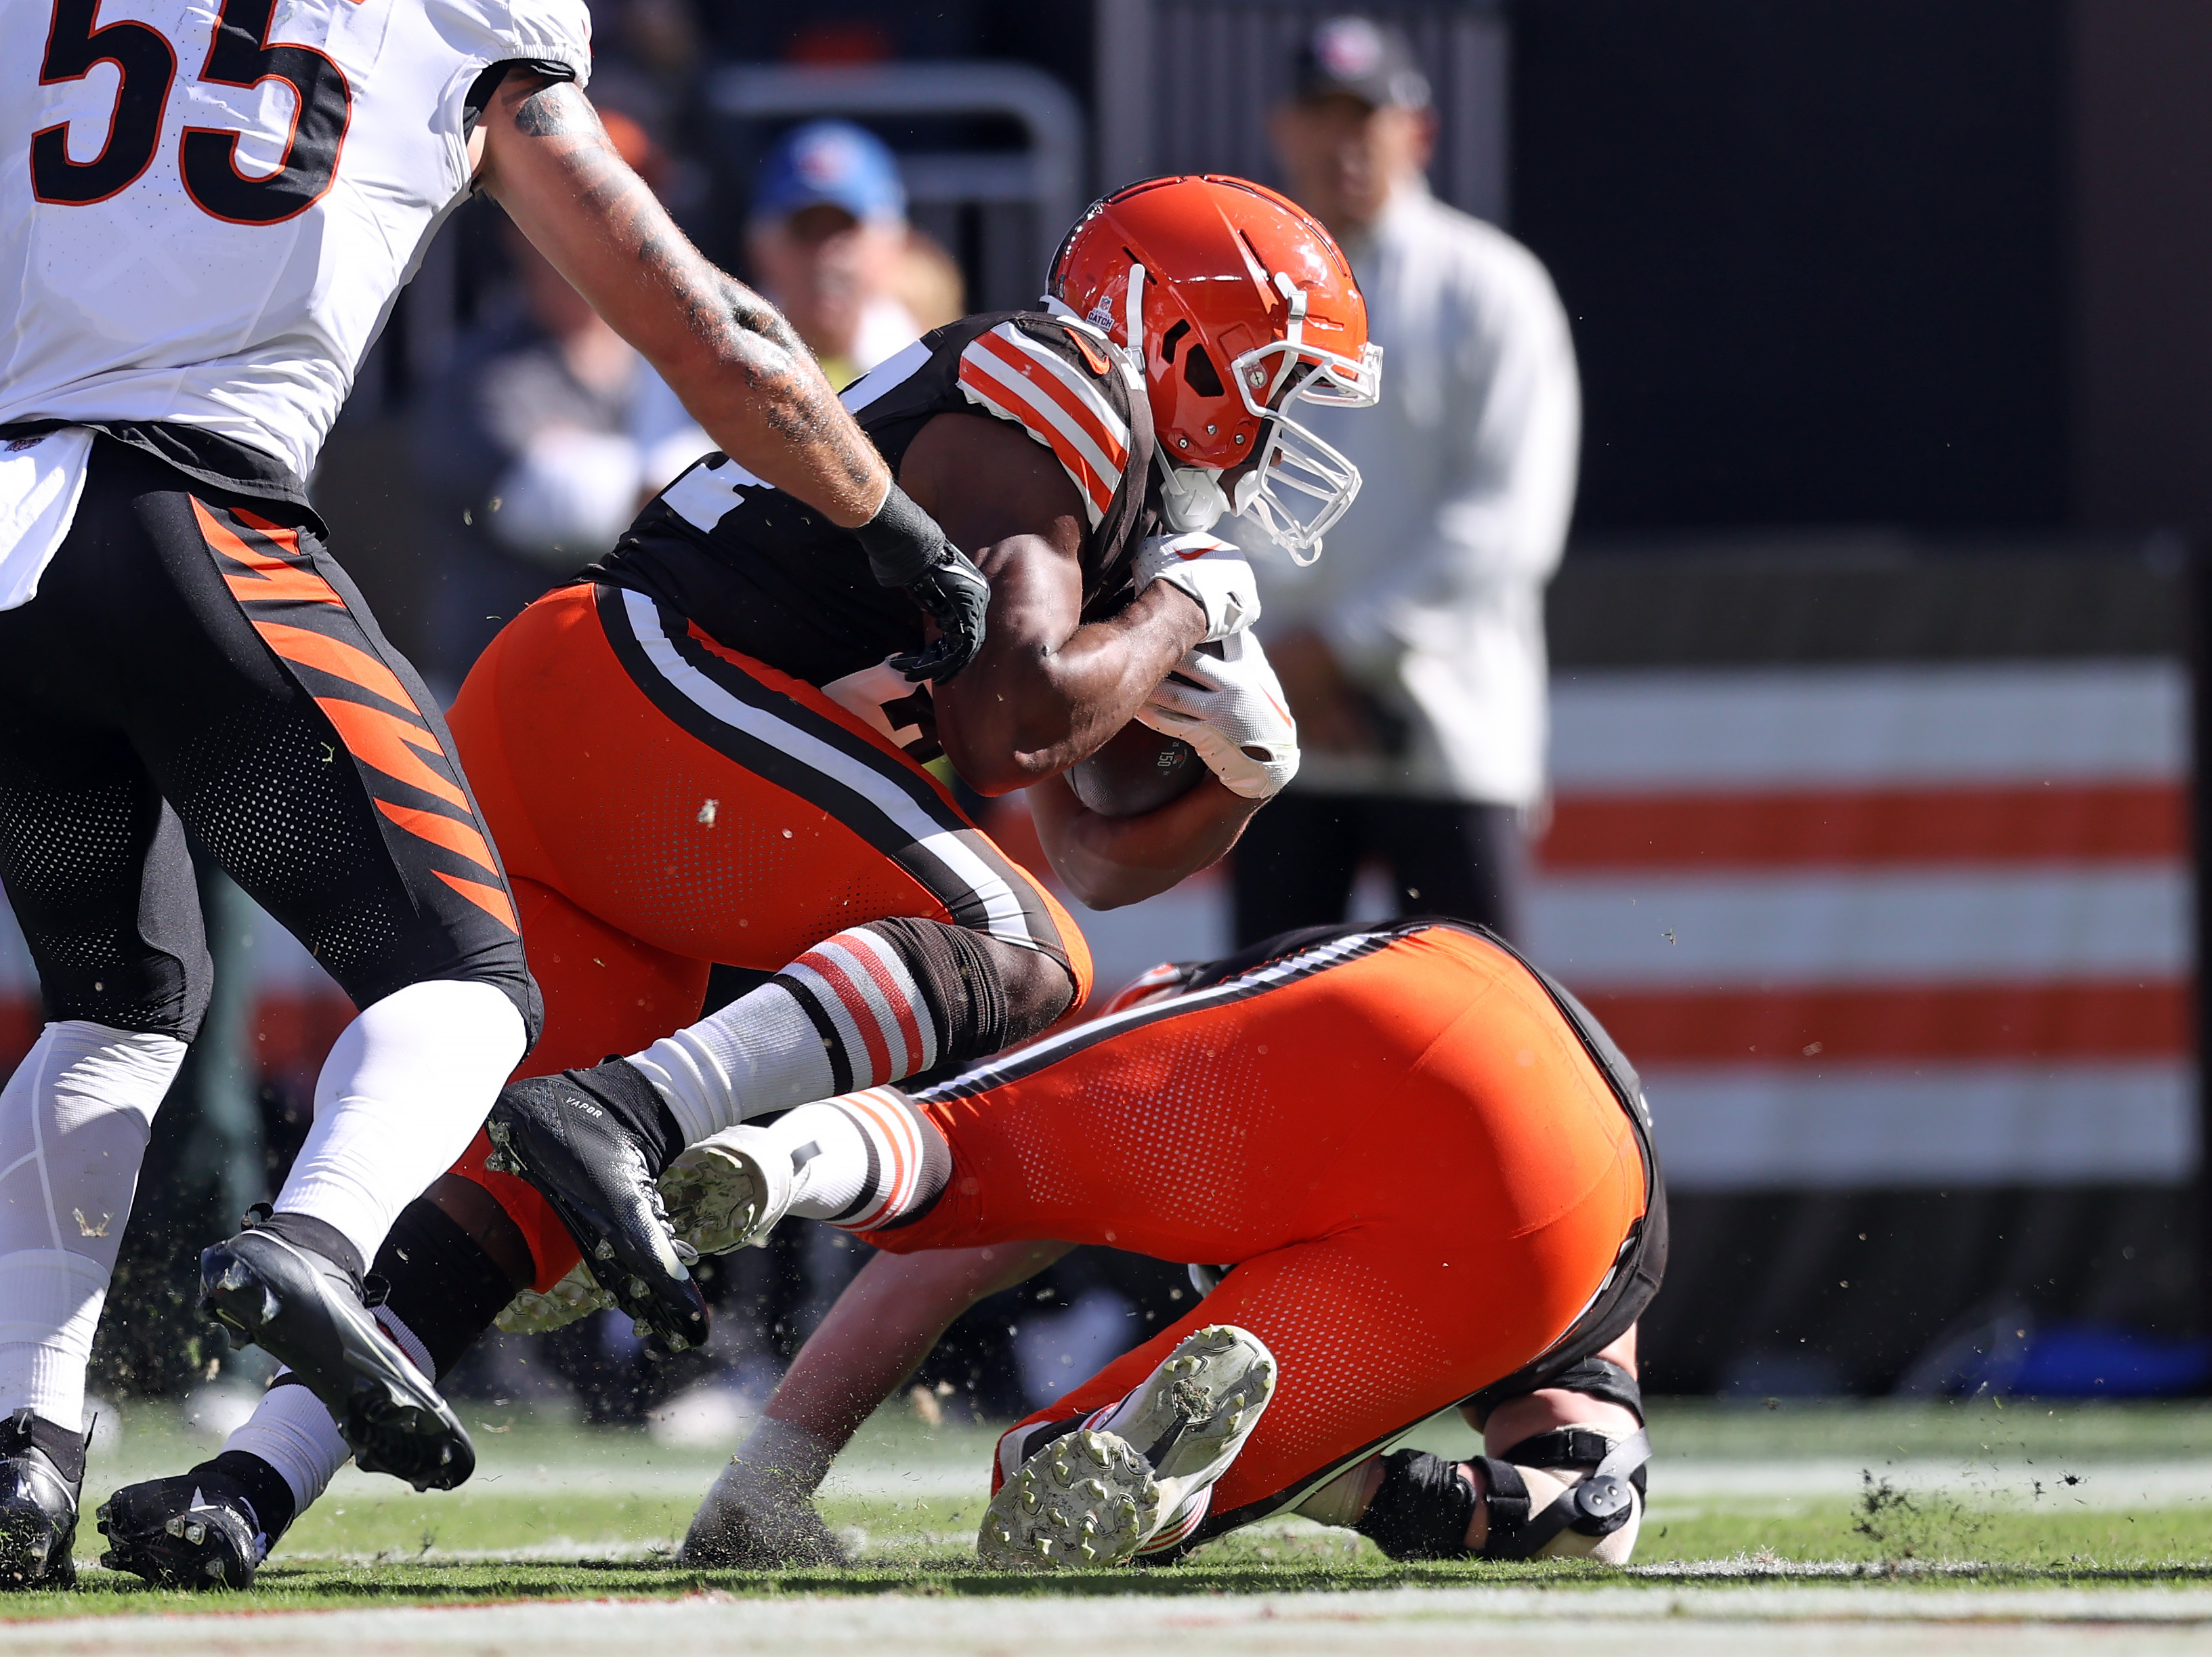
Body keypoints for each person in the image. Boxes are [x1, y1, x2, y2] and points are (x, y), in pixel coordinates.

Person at [98, 173, 1375, 1589]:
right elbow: (1016, 717)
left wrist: (1242, 775)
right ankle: (634, 1111)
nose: (1279, 425)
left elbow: (1088, 842)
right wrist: (1178, 613)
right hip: (642, 691)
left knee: (507, 1209)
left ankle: (241, 1488)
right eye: (1274, 380)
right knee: (1014, 949)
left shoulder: (1112, 503)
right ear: (1171, 337)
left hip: (609, 742)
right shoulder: (1062, 385)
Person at [0, 0, 984, 1587]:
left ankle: (21, 1454)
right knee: (468, 984)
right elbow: (698, 326)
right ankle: (311, 1249)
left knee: (113, 1004)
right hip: (201, 511)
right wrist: (898, 535)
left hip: (13, 543)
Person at [667, 919, 1661, 1569]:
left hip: (1420, 1010)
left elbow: (931, 1267)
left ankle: (787, 1150)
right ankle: (1282, 1484)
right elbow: (1596, 1510)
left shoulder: (1185, 999)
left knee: (957, 1146)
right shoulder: (1606, 1266)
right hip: (1567, 1201)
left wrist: (765, 1484)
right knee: (1059, 1474)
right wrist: (1374, 1489)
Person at [1232, 16, 1581, 945]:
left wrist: (1334, 648)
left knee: (1479, 1045)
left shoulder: (1492, 288)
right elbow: (1213, 495)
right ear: (1283, 129)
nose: (1343, 142)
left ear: (1415, 131)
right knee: (1265, 1052)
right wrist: (1275, 653)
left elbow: (1509, 522)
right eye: (1322, 116)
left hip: (1450, 734)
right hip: (1278, 736)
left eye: (1366, 117)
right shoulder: (1240, 295)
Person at [415, 110, 711, 687]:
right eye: (587, 204)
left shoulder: (688, 360)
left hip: (651, 698)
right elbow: (555, 509)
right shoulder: (478, 375)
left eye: (633, 206)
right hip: (502, 697)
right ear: (520, 223)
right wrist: (692, 483)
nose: (617, 229)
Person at [744, 121, 932, 390]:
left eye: (845, 232)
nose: (826, 257)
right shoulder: (707, 358)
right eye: (806, 230)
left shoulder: (935, 369)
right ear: (761, 246)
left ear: (894, 243)